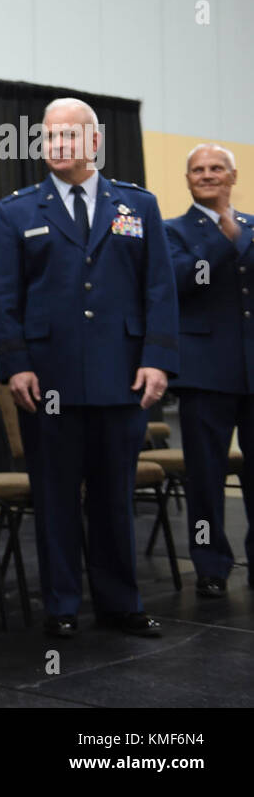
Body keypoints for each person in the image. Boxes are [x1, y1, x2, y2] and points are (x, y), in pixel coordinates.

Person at [0, 97, 177, 639]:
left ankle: (121, 603)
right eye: (49, 137)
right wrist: (16, 365)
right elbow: (4, 298)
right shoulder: (17, 210)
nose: (58, 145)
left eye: (70, 136)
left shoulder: (137, 207)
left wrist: (159, 360)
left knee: (115, 498)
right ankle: (62, 603)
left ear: (95, 142)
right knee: (55, 498)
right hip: (48, 381)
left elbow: (159, 290)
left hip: (123, 378)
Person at [163, 143, 254, 597]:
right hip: (204, 372)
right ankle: (211, 565)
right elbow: (184, 282)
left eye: (217, 168)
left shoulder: (253, 227)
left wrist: (238, 231)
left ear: (233, 176)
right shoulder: (173, 231)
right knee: (205, 479)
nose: (207, 175)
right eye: (197, 170)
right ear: (188, 180)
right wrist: (224, 238)